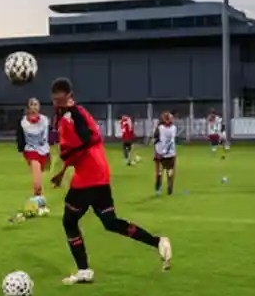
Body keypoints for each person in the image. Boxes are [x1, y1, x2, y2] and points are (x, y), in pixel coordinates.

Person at [49, 77, 171, 283]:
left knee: (69, 221)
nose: (57, 104)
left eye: (60, 100)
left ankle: (84, 271)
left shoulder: (73, 115)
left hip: (87, 177)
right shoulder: (70, 115)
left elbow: (86, 138)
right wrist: (64, 168)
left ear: (69, 97)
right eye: (54, 100)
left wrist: (64, 165)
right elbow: (82, 144)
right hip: (100, 174)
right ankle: (158, 242)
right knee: (110, 222)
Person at [15, 98, 51, 197]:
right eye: (32, 105)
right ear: (28, 107)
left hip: (44, 150)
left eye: (36, 104)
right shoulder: (23, 122)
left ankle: (40, 202)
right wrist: (22, 150)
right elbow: (20, 137)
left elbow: (50, 136)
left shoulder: (45, 120)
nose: (34, 107)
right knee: (37, 181)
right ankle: (37, 202)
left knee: (41, 176)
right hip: (31, 151)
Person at [152, 111, 178, 196]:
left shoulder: (160, 128)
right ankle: (169, 188)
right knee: (169, 172)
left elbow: (155, 140)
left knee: (159, 172)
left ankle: (158, 189)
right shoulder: (174, 128)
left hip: (160, 154)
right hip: (170, 153)